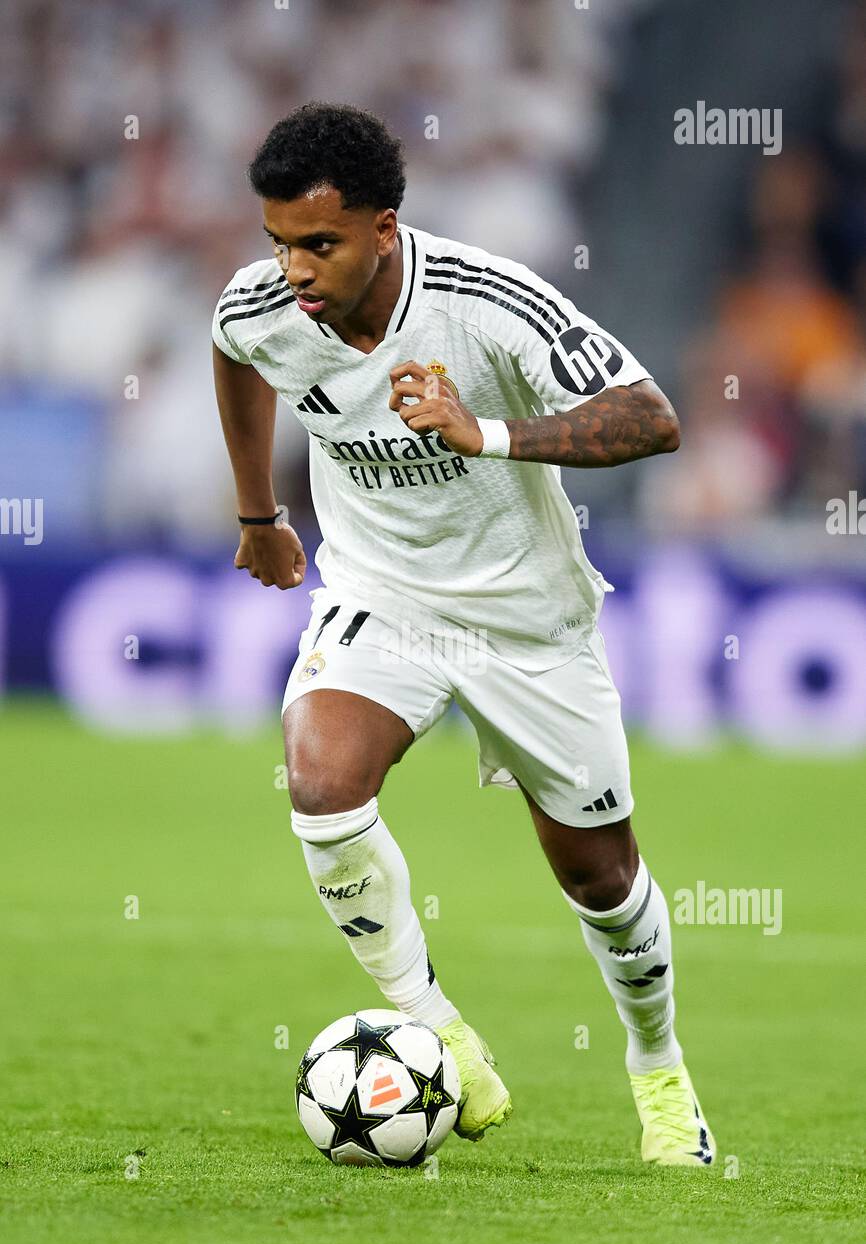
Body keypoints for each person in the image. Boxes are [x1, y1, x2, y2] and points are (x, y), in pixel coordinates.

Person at [212, 102, 714, 1165]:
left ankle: (656, 1068)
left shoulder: (485, 304)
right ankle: (439, 1029)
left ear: (383, 228)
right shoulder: (263, 305)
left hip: (524, 620)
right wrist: (259, 514)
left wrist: (477, 430)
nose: (292, 268)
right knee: (318, 779)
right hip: (381, 596)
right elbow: (235, 354)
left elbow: (650, 416)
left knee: (600, 879)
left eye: (318, 243)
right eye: (277, 242)